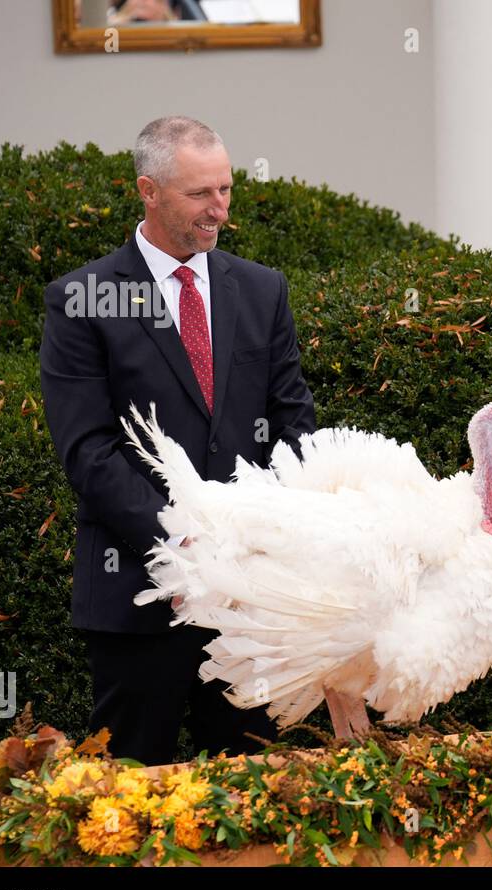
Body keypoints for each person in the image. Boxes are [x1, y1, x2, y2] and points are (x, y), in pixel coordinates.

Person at [40, 116, 316, 767]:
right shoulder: (82, 299)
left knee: (257, 790)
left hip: (254, 599)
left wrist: (271, 533)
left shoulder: (262, 289)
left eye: (225, 188)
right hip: (139, 595)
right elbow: (88, 449)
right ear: (150, 190)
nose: (219, 207)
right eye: (200, 194)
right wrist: (186, 537)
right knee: (134, 794)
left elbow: (294, 426)